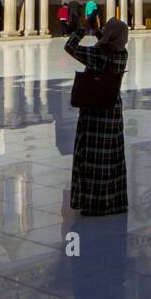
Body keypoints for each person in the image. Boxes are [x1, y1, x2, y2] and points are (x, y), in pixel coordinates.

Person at [64, 17, 129, 216]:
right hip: (113, 109)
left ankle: (94, 203)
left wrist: (82, 30)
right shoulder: (122, 54)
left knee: (94, 158)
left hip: (95, 112)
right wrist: (100, 33)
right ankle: (115, 202)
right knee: (112, 157)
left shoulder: (97, 55)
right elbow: (107, 44)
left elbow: (70, 46)